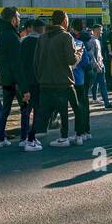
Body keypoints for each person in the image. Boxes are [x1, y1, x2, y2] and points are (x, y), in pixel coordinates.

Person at [32, 10, 82, 147]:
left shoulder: (42, 37)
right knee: (73, 108)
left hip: (45, 82)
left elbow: (36, 61)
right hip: (64, 81)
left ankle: (34, 138)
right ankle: (71, 136)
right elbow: (71, 60)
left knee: (45, 111)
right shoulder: (66, 37)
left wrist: (40, 78)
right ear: (64, 21)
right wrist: (79, 53)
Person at [0, 7, 23, 146]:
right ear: (13, 20)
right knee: (25, 108)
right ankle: (25, 138)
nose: (19, 19)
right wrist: (21, 82)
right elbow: (17, 62)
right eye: (18, 17)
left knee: (6, 109)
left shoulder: (0, 35)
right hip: (15, 80)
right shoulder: (13, 37)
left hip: (5, 78)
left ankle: (0, 137)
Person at [18, 18, 45, 151]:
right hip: (38, 80)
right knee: (38, 110)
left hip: (25, 81)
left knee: (26, 110)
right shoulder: (42, 42)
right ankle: (31, 138)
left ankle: (24, 137)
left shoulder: (23, 41)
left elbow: (20, 62)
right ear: (42, 29)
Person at [85, 24, 111, 109]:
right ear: (95, 30)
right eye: (100, 30)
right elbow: (91, 55)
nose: (102, 32)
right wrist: (97, 66)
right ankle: (105, 103)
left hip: (99, 66)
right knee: (93, 85)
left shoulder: (96, 40)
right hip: (96, 67)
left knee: (98, 84)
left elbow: (97, 55)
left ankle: (106, 102)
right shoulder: (92, 41)